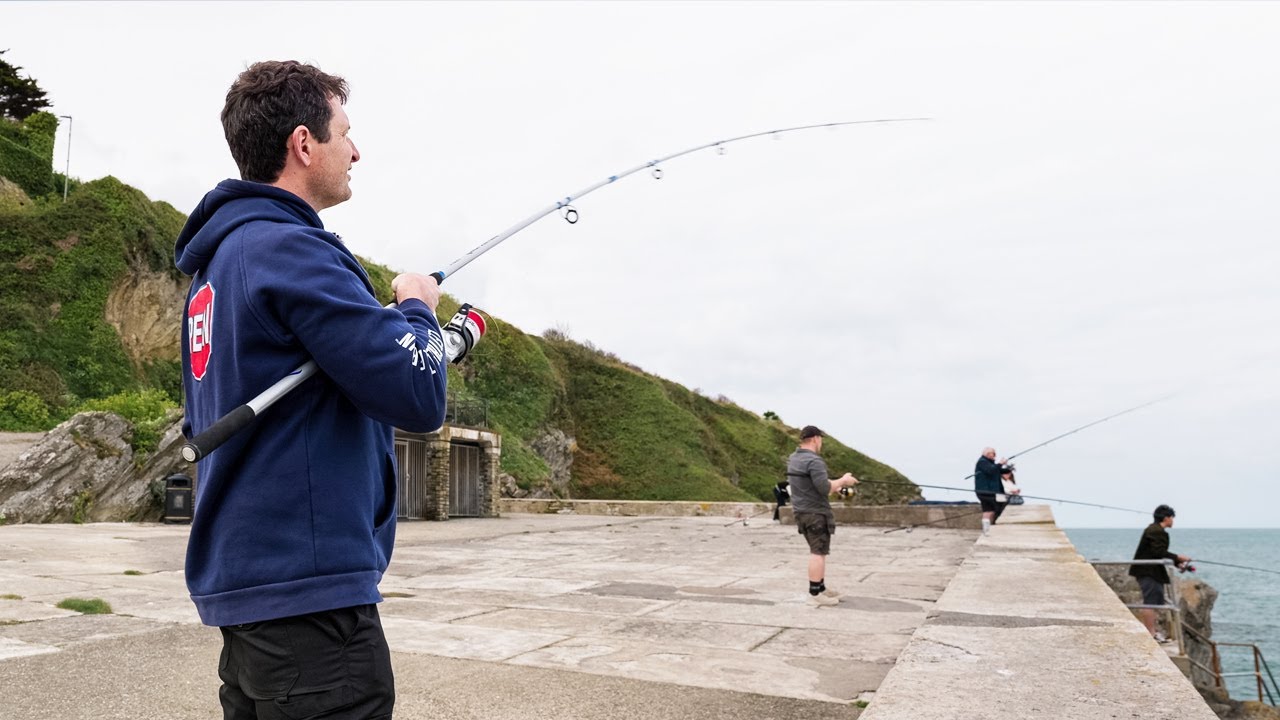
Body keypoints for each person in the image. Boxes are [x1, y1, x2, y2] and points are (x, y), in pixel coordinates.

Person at [176, 61, 449, 719]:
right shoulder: (290, 249)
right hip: (310, 605)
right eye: (345, 134)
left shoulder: (215, 270)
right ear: (304, 144)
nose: (356, 151)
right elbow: (417, 396)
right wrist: (416, 309)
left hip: (251, 596)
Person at [786, 425, 859, 607]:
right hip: (815, 513)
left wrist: (835, 484)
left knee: (819, 551)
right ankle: (815, 593)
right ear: (816, 438)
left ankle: (822, 587)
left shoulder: (794, 458)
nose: (822, 443)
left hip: (801, 511)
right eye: (821, 439)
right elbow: (825, 488)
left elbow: (815, 483)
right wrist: (844, 480)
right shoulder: (814, 461)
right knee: (818, 553)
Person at [1128, 504, 1191, 642]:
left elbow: (1157, 553)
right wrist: (1178, 557)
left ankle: (1152, 632)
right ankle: (1151, 634)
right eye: (1172, 518)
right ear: (1166, 518)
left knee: (1154, 601)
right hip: (1148, 571)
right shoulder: (1157, 531)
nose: (1173, 521)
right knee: (1150, 602)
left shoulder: (1153, 530)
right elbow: (1158, 552)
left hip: (1150, 571)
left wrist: (1176, 563)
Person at [974, 447, 1013, 534]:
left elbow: (998, 470)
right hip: (986, 492)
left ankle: (988, 529)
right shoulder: (982, 462)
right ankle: (988, 528)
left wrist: (1009, 468)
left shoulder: (989, 463)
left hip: (990, 492)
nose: (995, 456)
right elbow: (991, 470)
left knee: (989, 510)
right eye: (994, 454)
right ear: (988, 454)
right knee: (994, 508)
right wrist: (1000, 463)